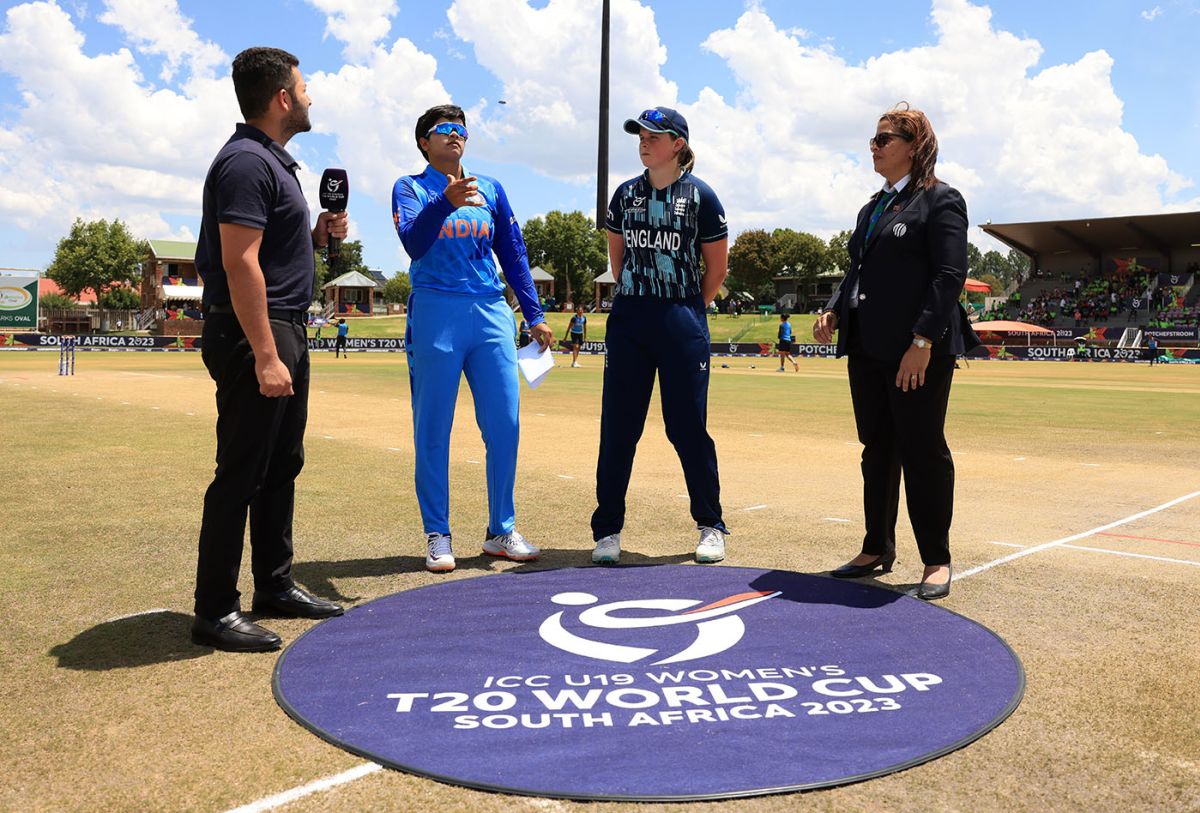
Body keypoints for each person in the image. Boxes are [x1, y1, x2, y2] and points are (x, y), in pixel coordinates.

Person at [192, 47, 347, 652]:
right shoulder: (245, 163)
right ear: (282, 97)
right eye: (304, 87)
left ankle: (275, 585)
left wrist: (314, 237)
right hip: (254, 331)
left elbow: (270, 251)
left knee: (283, 463)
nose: (310, 96)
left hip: (285, 324)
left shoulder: (275, 165)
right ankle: (214, 609)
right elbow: (238, 261)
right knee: (242, 471)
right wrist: (264, 353)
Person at [812, 102, 978, 601]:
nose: (874, 146)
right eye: (874, 138)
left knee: (923, 449)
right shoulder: (871, 208)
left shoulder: (940, 201)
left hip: (917, 350)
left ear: (914, 146)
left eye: (884, 139)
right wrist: (835, 309)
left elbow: (948, 277)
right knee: (877, 450)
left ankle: (936, 558)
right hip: (868, 348)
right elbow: (857, 272)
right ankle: (876, 547)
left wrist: (923, 342)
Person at [392, 104, 553, 573]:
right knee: (433, 428)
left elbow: (513, 251)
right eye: (444, 130)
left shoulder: (492, 189)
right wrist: (446, 200)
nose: (455, 137)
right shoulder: (410, 187)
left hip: (490, 312)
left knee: (505, 423)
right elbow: (413, 243)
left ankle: (501, 530)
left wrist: (534, 313)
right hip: (436, 311)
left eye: (461, 131)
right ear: (425, 141)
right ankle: (438, 533)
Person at [591, 106, 729, 565]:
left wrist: (685, 308)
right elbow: (618, 262)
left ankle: (711, 525)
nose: (644, 141)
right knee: (619, 428)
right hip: (630, 317)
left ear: (678, 145)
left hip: (681, 318)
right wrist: (644, 296)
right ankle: (607, 531)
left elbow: (717, 269)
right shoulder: (625, 195)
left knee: (687, 428)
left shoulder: (702, 198)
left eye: (654, 135)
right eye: (640, 135)